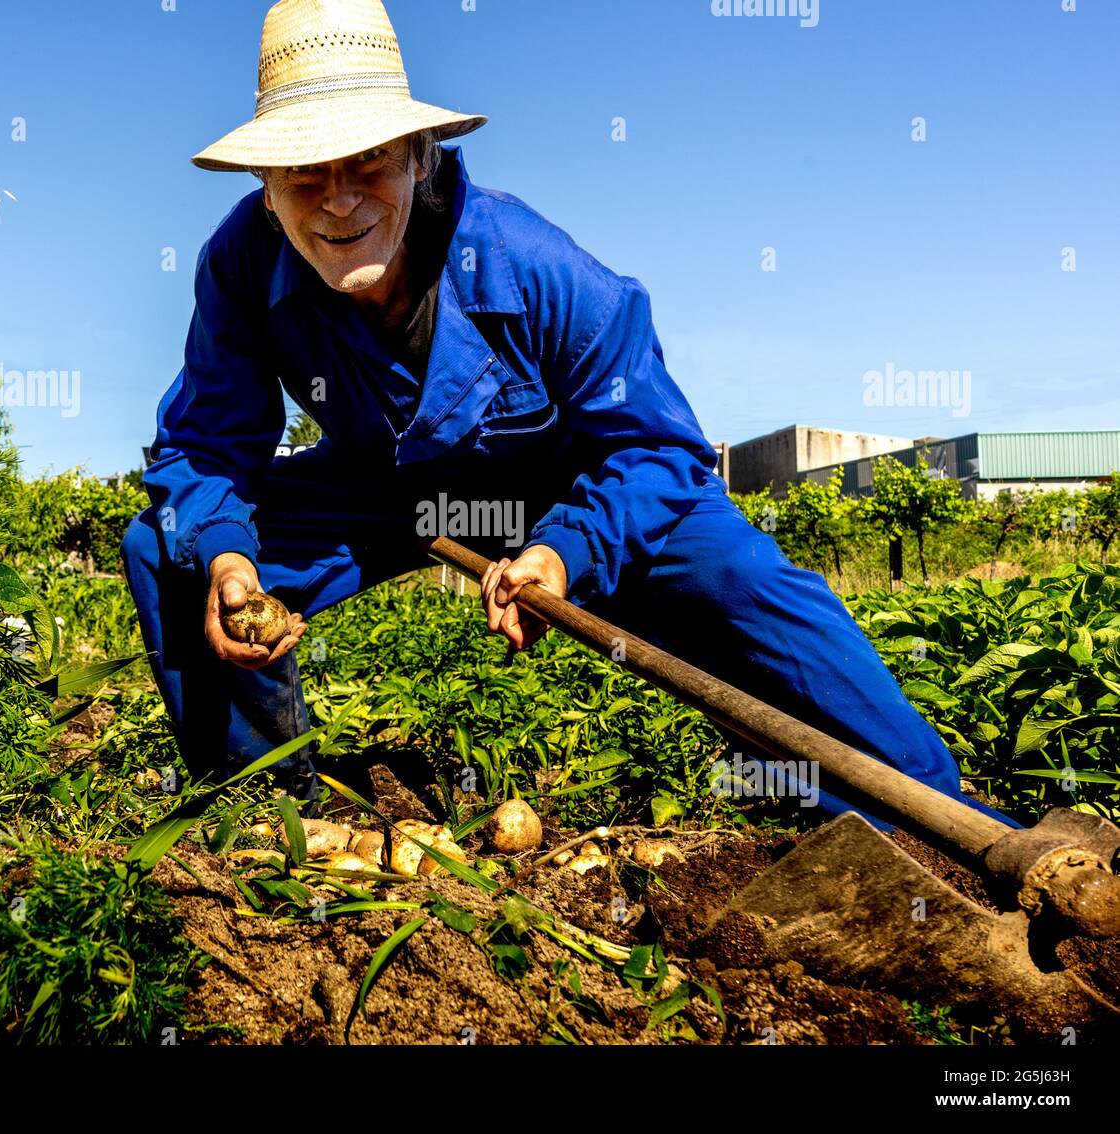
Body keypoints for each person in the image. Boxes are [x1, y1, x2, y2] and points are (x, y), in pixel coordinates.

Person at [122, 0, 1015, 831]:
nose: (341, 198)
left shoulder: (533, 265)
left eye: (369, 161)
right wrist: (233, 560)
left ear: (421, 156)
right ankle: (271, 812)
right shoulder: (242, 263)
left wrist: (560, 551)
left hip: (580, 486)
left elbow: (660, 448)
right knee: (172, 550)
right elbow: (205, 446)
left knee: (745, 585)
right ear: (265, 188)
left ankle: (939, 828)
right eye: (305, 173)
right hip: (387, 490)